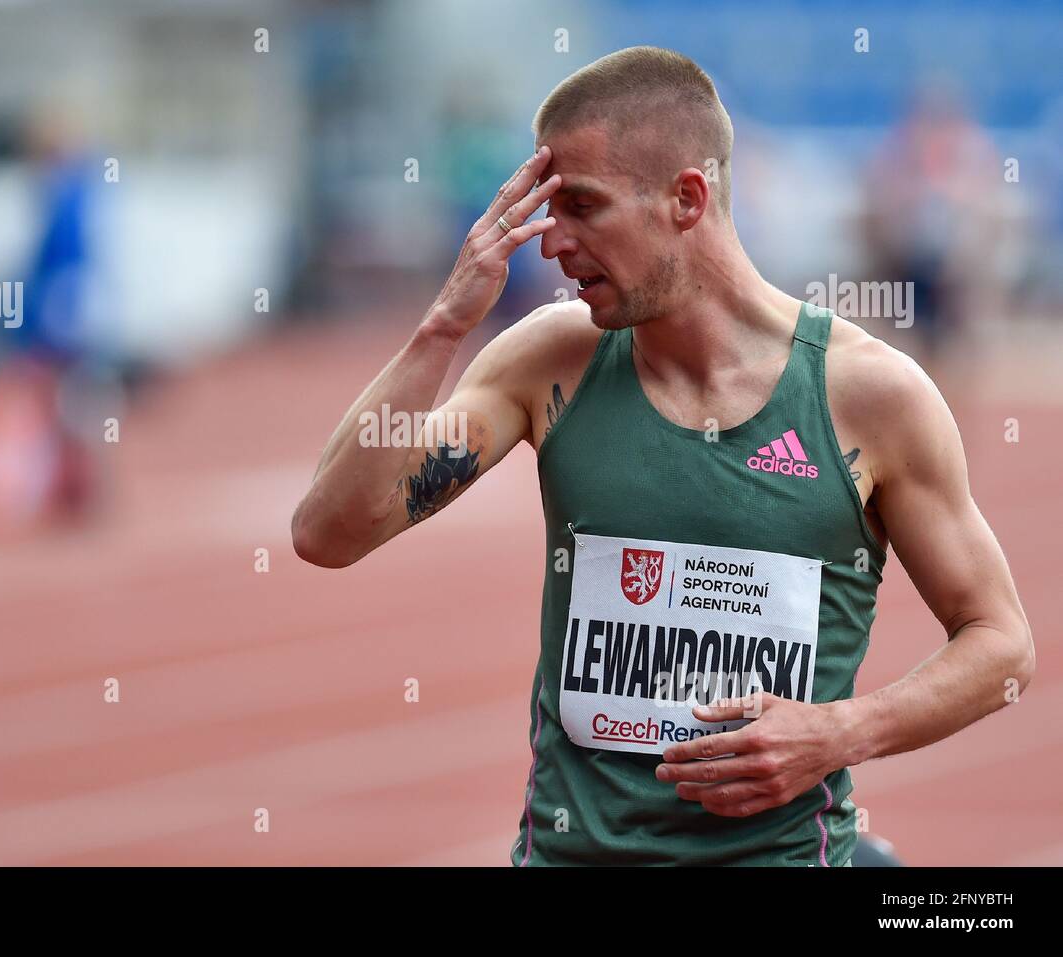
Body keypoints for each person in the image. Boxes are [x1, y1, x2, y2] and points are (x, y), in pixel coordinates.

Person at [291, 47, 1034, 865]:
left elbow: (1000, 642)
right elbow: (330, 529)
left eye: (581, 206)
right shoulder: (550, 362)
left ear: (687, 197)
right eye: (545, 208)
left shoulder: (867, 396)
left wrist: (835, 733)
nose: (551, 244)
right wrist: (443, 325)